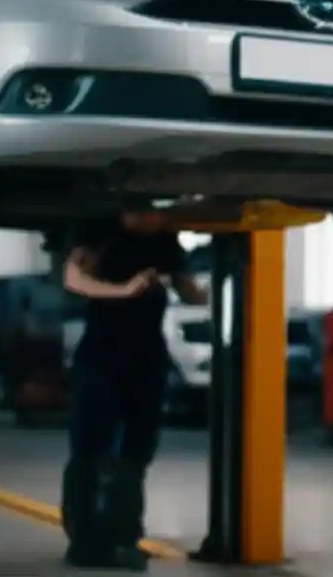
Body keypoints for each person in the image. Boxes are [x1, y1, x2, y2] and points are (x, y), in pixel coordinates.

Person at [59, 207, 208, 571]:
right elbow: (74, 279)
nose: (161, 221)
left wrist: (195, 289)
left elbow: (190, 289)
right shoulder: (99, 232)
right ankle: (85, 542)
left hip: (147, 358)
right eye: (155, 214)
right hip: (101, 355)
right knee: (92, 448)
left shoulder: (165, 243)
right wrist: (123, 291)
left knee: (136, 452)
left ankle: (125, 538)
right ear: (131, 211)